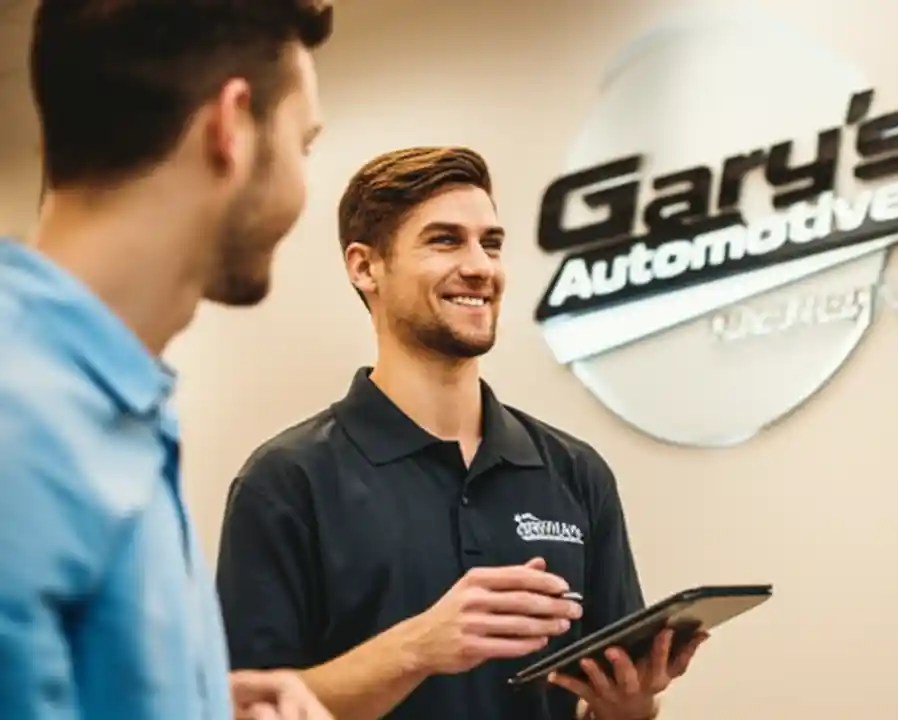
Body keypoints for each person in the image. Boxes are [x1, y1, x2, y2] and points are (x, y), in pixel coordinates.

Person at [215, 146, 707, 720]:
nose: (481, 267)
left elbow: (599, 700)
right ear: (365, 267)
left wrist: (628, 710)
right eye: (445, 241)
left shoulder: (575, 473)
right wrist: (417, 650)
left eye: (490, 244)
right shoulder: (285, 482)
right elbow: (243, 710)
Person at [0, 1, 336, 718]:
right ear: (231, 128)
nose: (304, 185)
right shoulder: (21, 431)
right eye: (304, 145)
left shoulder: (105, 399)